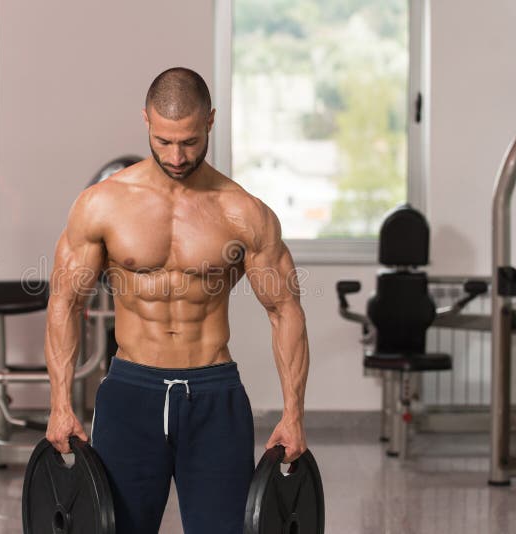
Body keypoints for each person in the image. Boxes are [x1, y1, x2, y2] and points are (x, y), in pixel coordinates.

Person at [44, 67, 310, 534]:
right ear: (146, 120)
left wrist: (293, 414)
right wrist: (60, 404)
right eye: (164, 141)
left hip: (214, 394)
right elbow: (65, 303)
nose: (176, 156)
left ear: (210, 121)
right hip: (131, 392)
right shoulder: (102, 204)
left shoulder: (242, 212)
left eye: (188, 141)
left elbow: (284, 310)